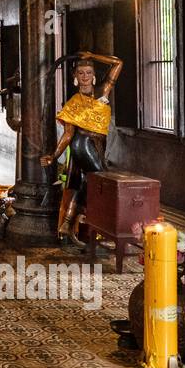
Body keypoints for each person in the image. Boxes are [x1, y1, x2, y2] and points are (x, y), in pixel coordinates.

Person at [41, 51, 123, 245]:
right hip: (82, 144)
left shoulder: (103, 91)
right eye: (81, 73)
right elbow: (68, 134)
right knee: (102, 181)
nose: (85, 77)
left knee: (81, 181)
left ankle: (71, 222)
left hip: (95, 145)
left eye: (88, 72)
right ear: (75, 77)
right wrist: (54, 155)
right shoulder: (73, 104)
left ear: (93, 75)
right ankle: (97, 224)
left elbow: (118, 62)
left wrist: (93, 56)